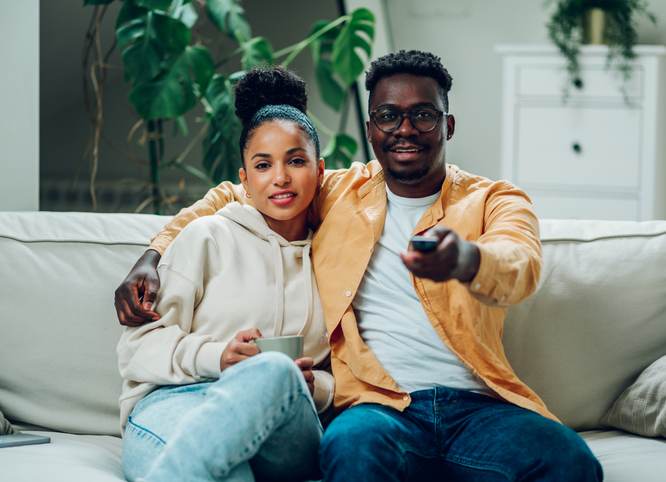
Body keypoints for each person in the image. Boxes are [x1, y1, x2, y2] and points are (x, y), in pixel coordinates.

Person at [116, 50, 603, 481]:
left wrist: (468, 257)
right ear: (370, 129)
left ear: (448, 124)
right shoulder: (344, 192)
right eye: (388, 116)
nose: (405, 129)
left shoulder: (495, 199)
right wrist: (153, 252)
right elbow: (243, 190)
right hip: (380, 405)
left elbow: (520, 265)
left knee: (571, 463)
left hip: (479, 408)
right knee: (351, 451)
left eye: (424, 115)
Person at [117, 66, 332, 482]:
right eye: (263, 165)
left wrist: (314, 386)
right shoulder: (207, 237)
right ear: (245, 181)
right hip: (176, 402)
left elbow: (351, 369)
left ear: (320, 171)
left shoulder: (337, 255)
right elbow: (135, 350)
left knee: (274, 370)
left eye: (296, 161)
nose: (281, 177)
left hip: (284, 420)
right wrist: (217, 357)